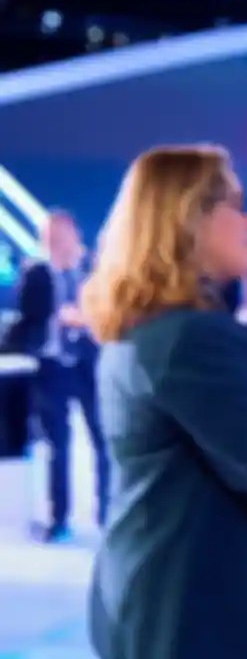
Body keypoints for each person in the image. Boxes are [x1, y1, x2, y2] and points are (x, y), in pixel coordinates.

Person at [82, 146, 247, 659]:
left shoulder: (142, 330)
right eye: (238, 204)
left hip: (155, 603)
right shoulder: (195, 340)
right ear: (192, 218)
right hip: (194, 617)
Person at [8, 210, 106, 540]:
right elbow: (27, 318)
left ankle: (107, 514)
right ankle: (59, 518)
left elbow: (111, 312)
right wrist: (56, 318)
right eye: (49, 238)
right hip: (51, 367)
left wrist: (87, 320)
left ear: (75, 236)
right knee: (57, 445)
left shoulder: (94, 271)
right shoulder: (35, 274)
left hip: (88, 365)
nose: (55, 243)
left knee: (102, 441)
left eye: (61, 236)